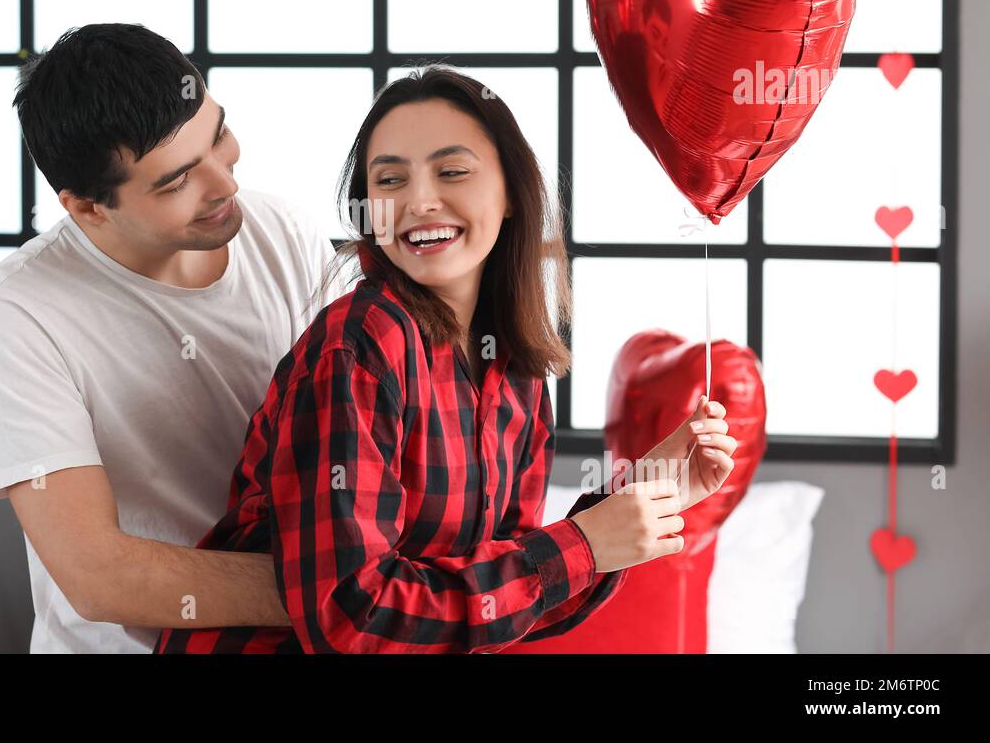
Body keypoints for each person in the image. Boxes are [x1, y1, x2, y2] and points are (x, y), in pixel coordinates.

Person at [156, 66, 736, 654]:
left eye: (452, 171)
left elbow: (500, 604)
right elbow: (352, 622)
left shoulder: (517, 373)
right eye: (389, 181)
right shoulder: (357, 348)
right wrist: (584, 543)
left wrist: (647, 494)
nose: (420, 201)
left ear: (511, 192)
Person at [0, 23, 350, 652]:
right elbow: (98, 576)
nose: (225, 185)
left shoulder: (285, 233)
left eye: (220, 135)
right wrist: (351, 594)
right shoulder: (17, 312)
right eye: (176, 181)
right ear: (88, 207)